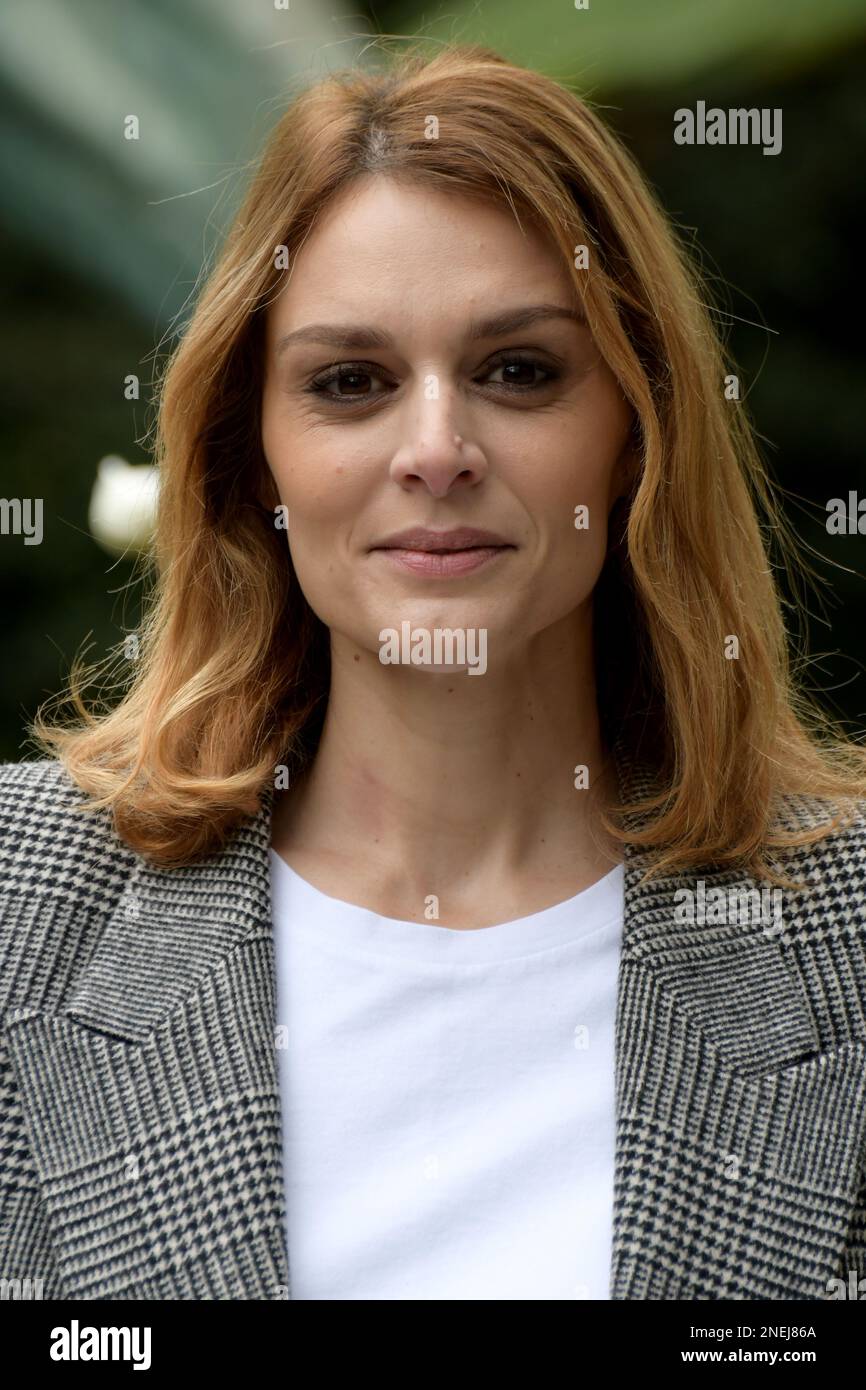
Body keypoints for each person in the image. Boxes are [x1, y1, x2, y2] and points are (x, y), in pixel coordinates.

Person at [2, 42, 865, 1302]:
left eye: (518, 370)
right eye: (348, 382)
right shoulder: (23, 905)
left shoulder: (841, 929)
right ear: (254, 457)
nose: (435, 448)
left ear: (638, 432)